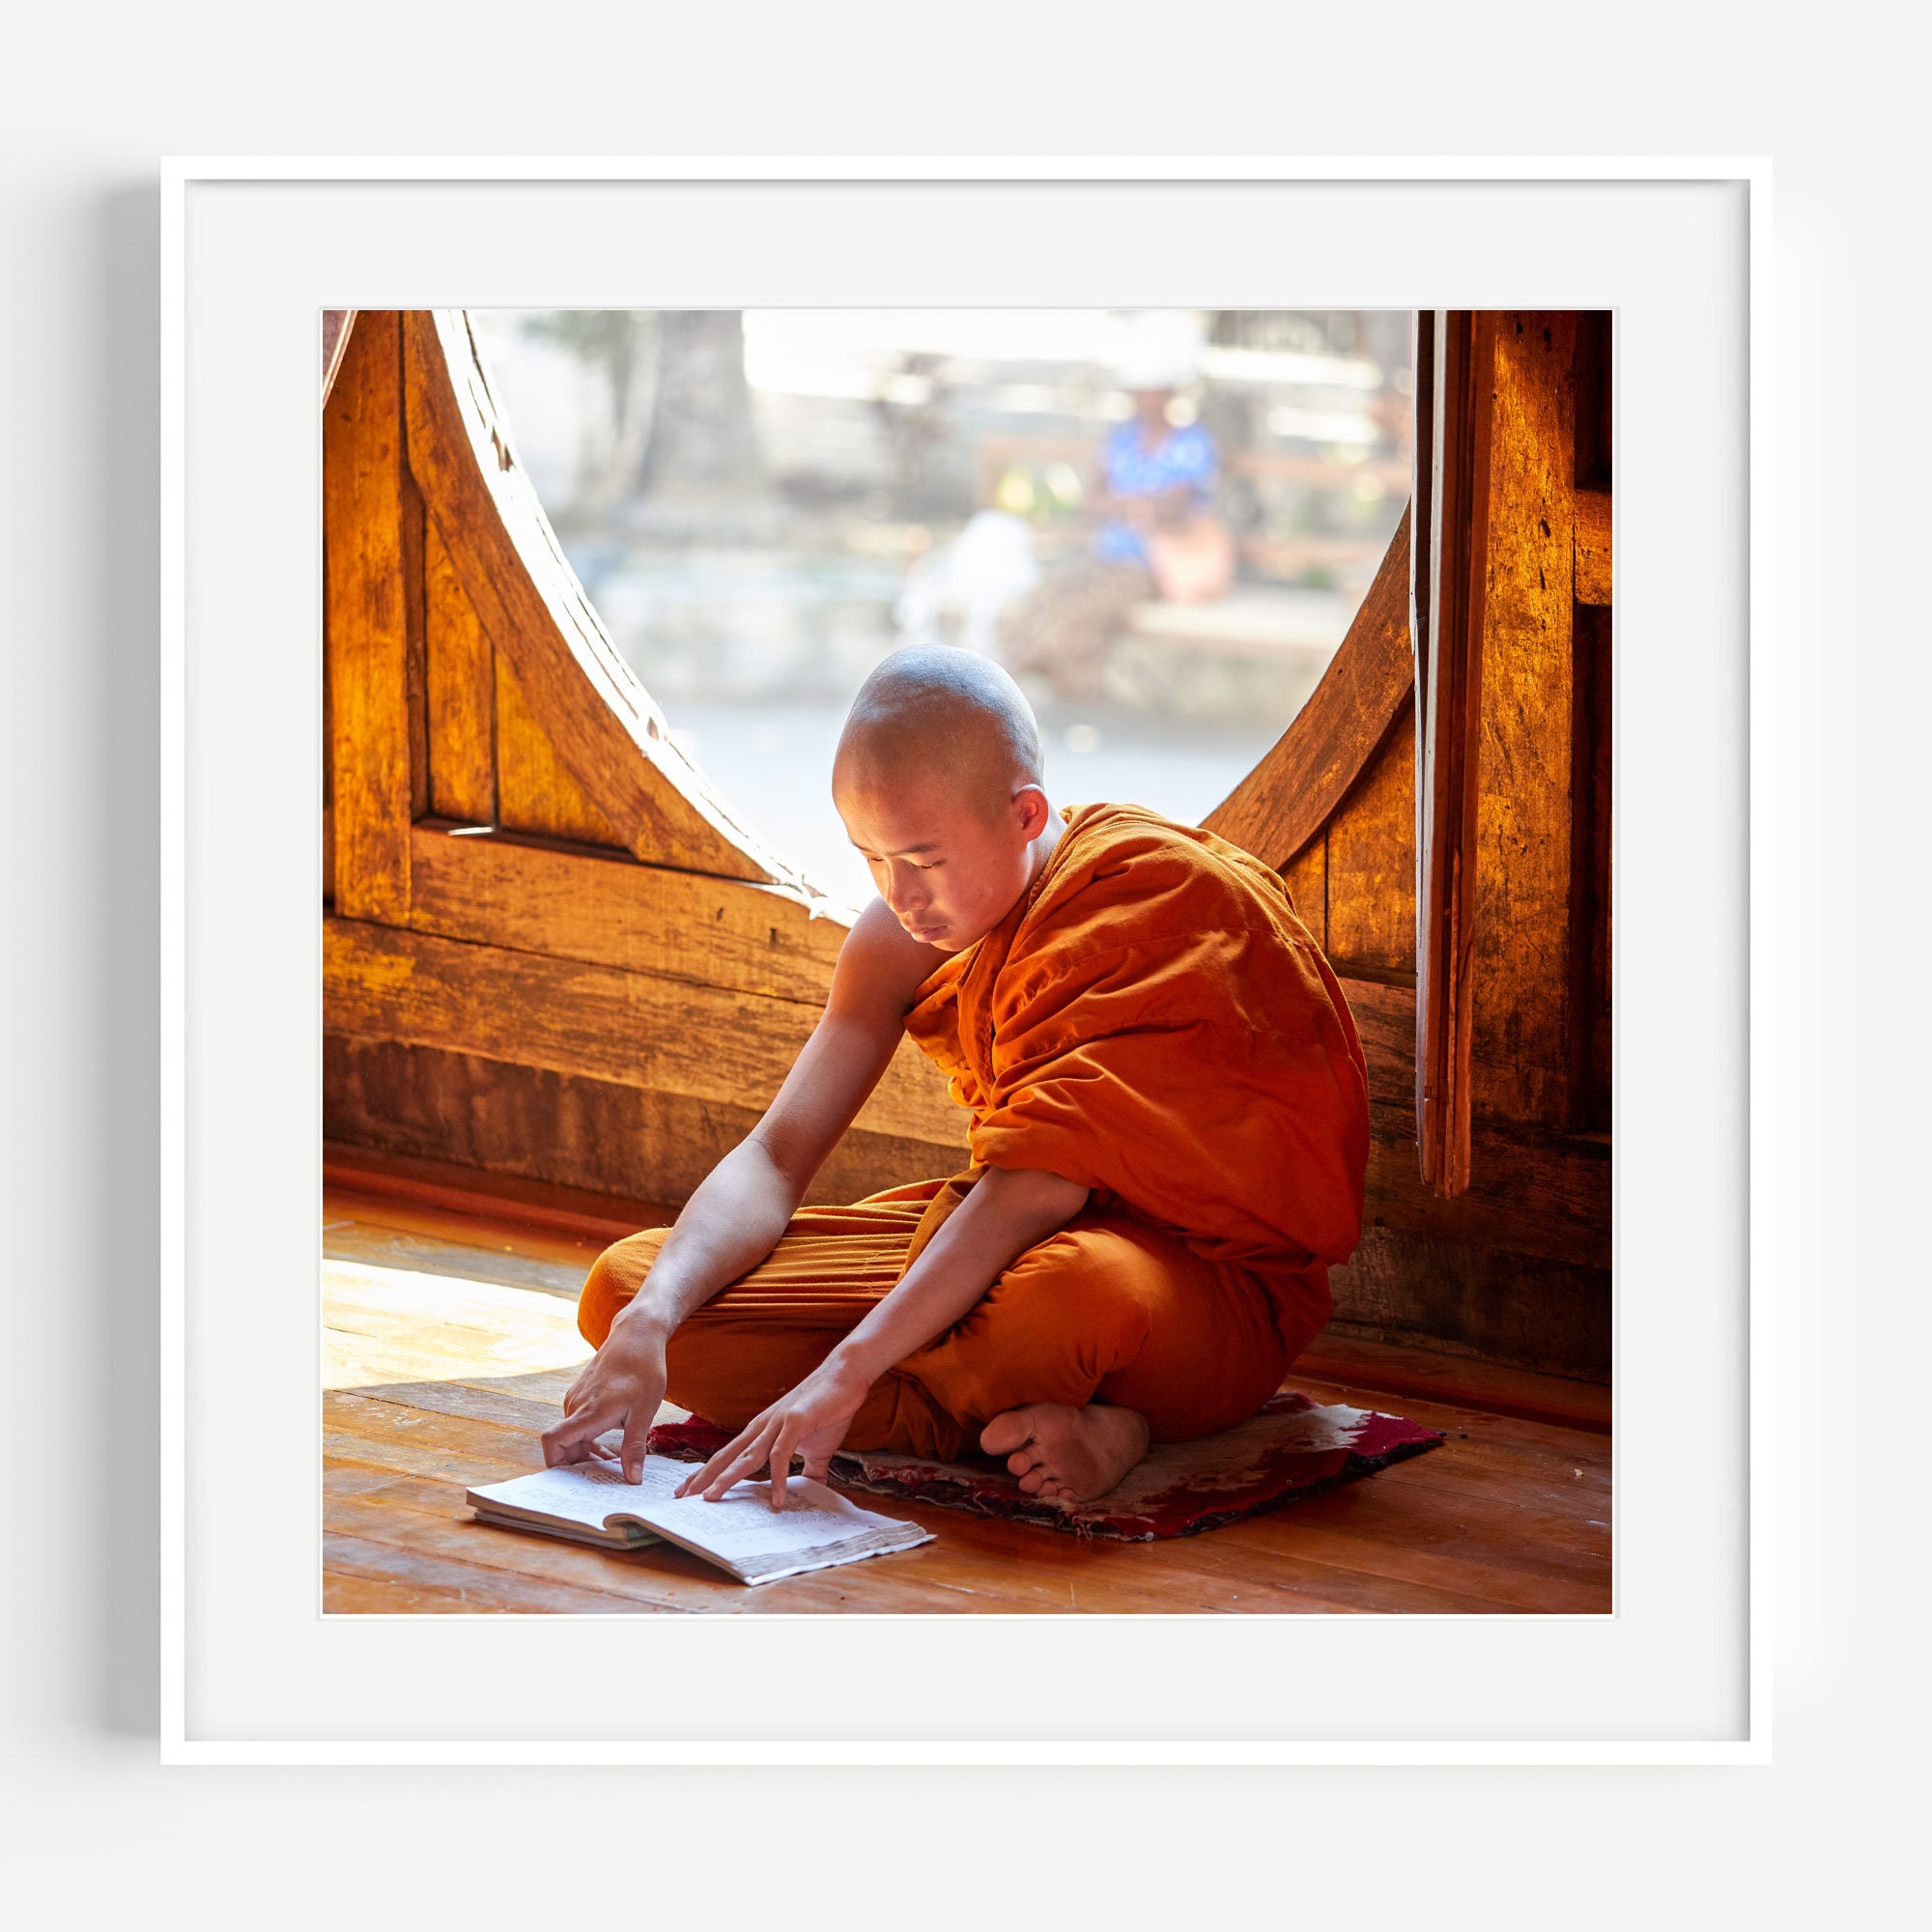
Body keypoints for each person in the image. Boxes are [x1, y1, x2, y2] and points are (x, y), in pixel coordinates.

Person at [539, 646, 1369, 1508]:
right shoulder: (899, 936)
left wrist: (847, 1366)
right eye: (870, 858)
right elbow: (776, 1157)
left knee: (1067, 1301)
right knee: (627, 1289)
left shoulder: (1150, 899)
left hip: (1192, 1289)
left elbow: (1035, 1193)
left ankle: (1119, 1422)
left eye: (924, 860)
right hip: (1001, 1240)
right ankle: (1021, 1422)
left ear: (1025, 814)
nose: (899, 896)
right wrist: (653, 1321)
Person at [996, 310, 1231, 697]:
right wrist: (1139, 505)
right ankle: (1020, 682)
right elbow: (1096, 497)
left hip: (1149, 567)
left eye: (1151, 389)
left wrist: (1124, 504)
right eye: (1138, 389)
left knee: (1072, 617)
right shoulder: (1121, 439)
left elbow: (1174, 507)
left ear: (1170, 391)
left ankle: (1037, 690)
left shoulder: (1193, 443)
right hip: (1105, 557)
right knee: (1036, 602)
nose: (1143, 398)